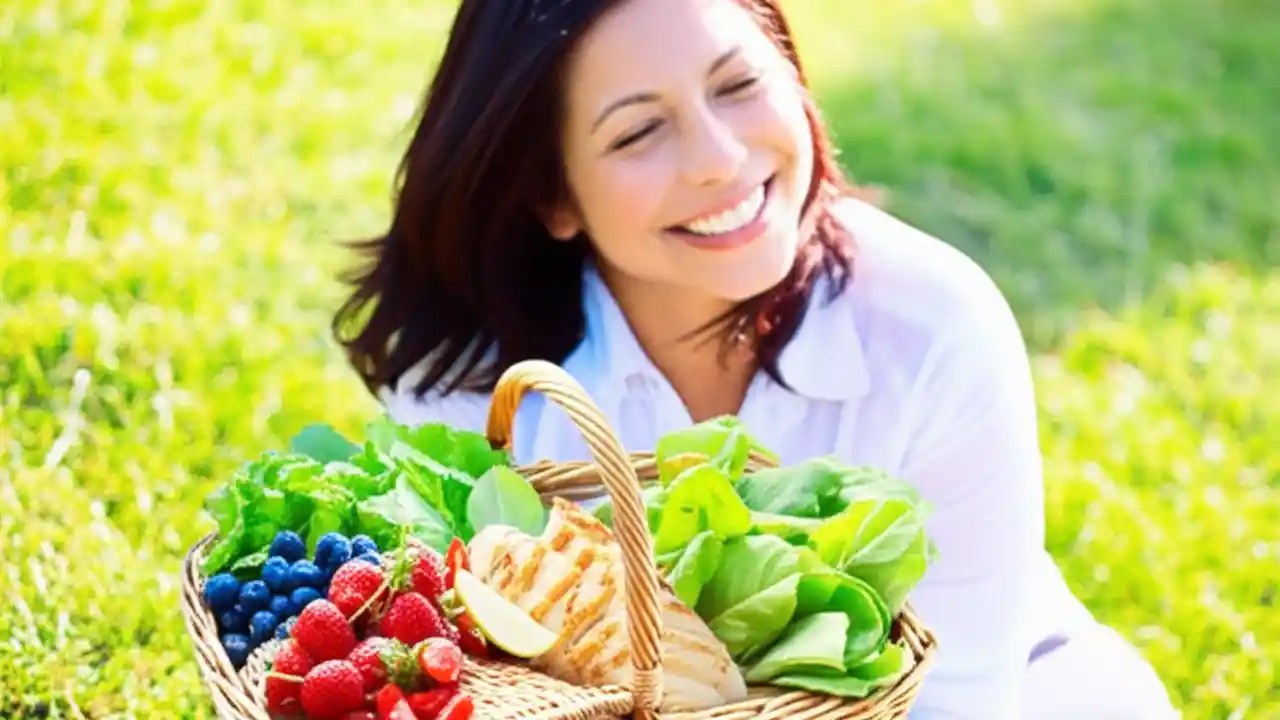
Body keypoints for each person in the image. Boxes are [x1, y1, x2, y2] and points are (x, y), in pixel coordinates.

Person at [332, 0, 1178, 717]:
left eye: (739, 86)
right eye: (638, 133)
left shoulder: (934, 330)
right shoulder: (480, 385)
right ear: (553, 195)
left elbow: (962, 694)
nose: (722, 160)